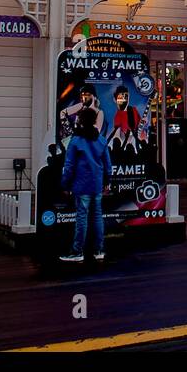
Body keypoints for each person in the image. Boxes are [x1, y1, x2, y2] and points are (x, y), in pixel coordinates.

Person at [59, 106, 111, 262]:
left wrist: (65, 185)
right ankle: (99, 250)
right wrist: (107, 181)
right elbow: (108, 164)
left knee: (82, 217)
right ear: (95, 121)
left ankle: (77, 252)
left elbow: (69, 167)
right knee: (97, 217)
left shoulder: (76, 141)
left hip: (81, 185)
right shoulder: (101, 140)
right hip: (97, 185)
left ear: (80, 121)